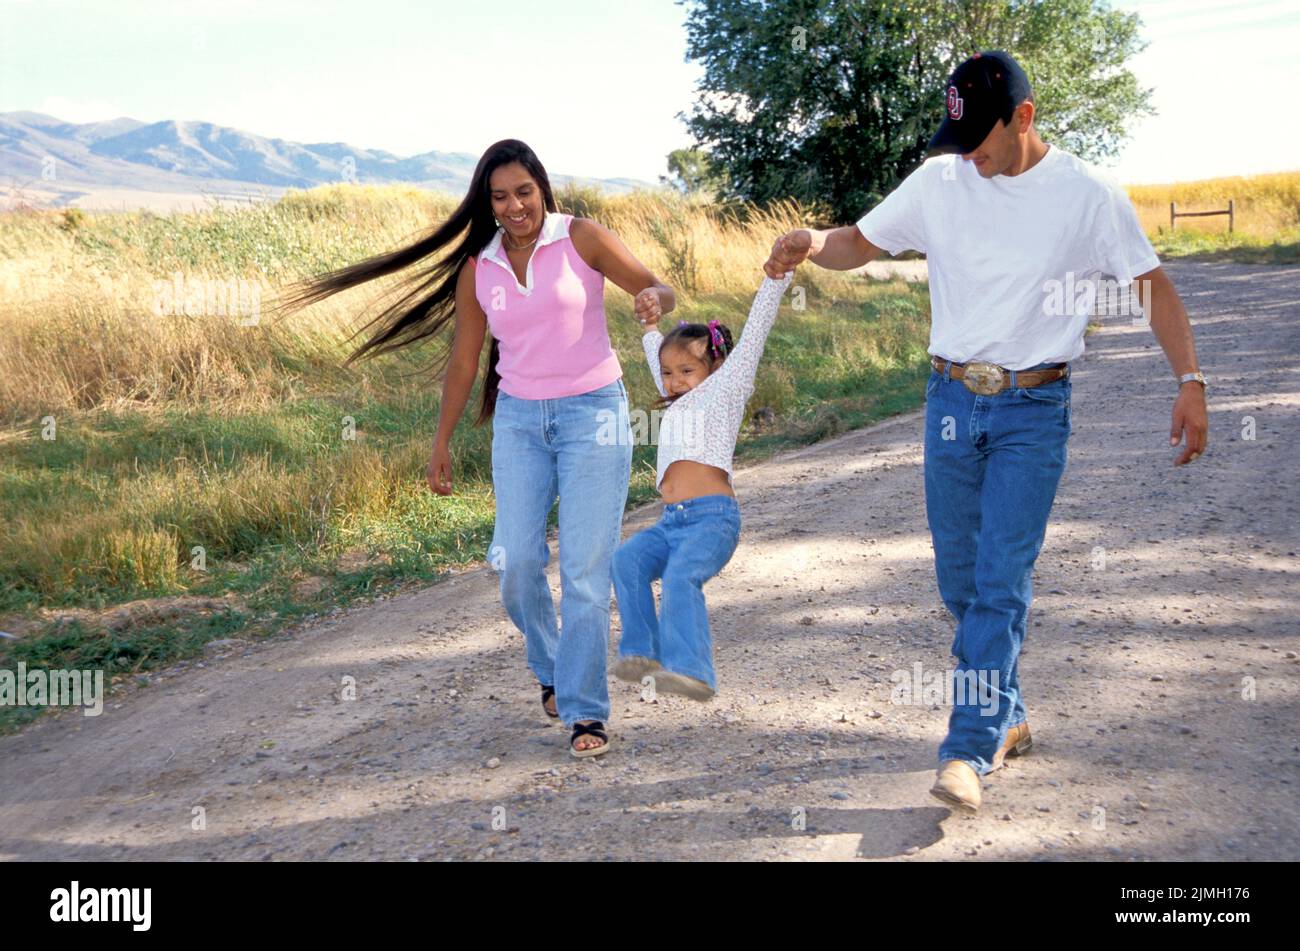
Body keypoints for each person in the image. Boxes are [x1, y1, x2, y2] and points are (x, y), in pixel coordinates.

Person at [763, 51, 1208, 813]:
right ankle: (1010, 715)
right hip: (948, 402)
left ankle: (969, 747)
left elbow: (1151, 285)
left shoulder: (1086, 194)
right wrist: (811, 242)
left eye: (981, 139)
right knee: (961, 584)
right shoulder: (942, 179)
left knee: (1000, 581)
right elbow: (861, 243)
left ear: (1025, 118)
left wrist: (1190, 381)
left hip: (1033, 410)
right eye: (957, 137)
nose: (967, 153)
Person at [278, 139, 675, 758]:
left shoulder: (581, 237)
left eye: (523, 191)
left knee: (583, 573)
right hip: (519, 424)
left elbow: (656, 288)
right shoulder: (479, 267)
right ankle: (551, 667)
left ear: (541, 186)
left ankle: (585, 710)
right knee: (516, 564)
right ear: (486, 205)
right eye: (500, 197)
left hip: (594, 416)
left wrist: (654, 300)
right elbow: (465, 361)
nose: (515, 206)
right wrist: (440, 443)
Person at [610, 272, 794, 700]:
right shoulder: (679, 400)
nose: (674, 381)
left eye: (687, 370)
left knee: (679, 578)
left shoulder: (726, 389)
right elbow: (664, 363)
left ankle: (694, 671)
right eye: (669, 373)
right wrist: (649, 326)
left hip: (712, 519)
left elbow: (757, 329)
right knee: (627, 562)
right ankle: (641, 654)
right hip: (670, 522)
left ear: (717, 366)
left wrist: (775, 279)